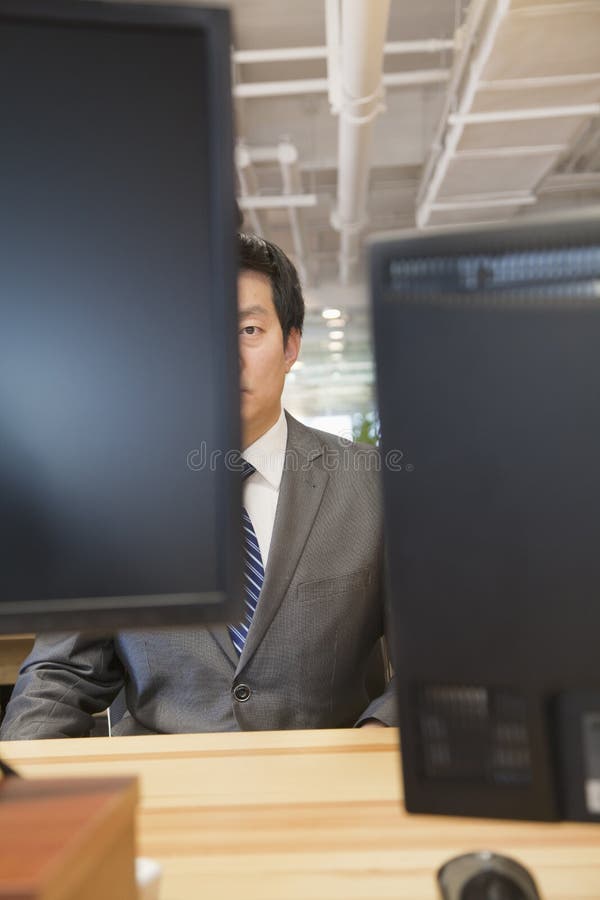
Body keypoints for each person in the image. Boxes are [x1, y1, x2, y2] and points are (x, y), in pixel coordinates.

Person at [0, 233, 397, 739]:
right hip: (165, 790)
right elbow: (60, 676)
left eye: (249, 329)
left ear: (291, 345)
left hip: (326, 789)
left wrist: (373, 740)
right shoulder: (118, 501)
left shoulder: (372, 485)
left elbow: (434, 656)